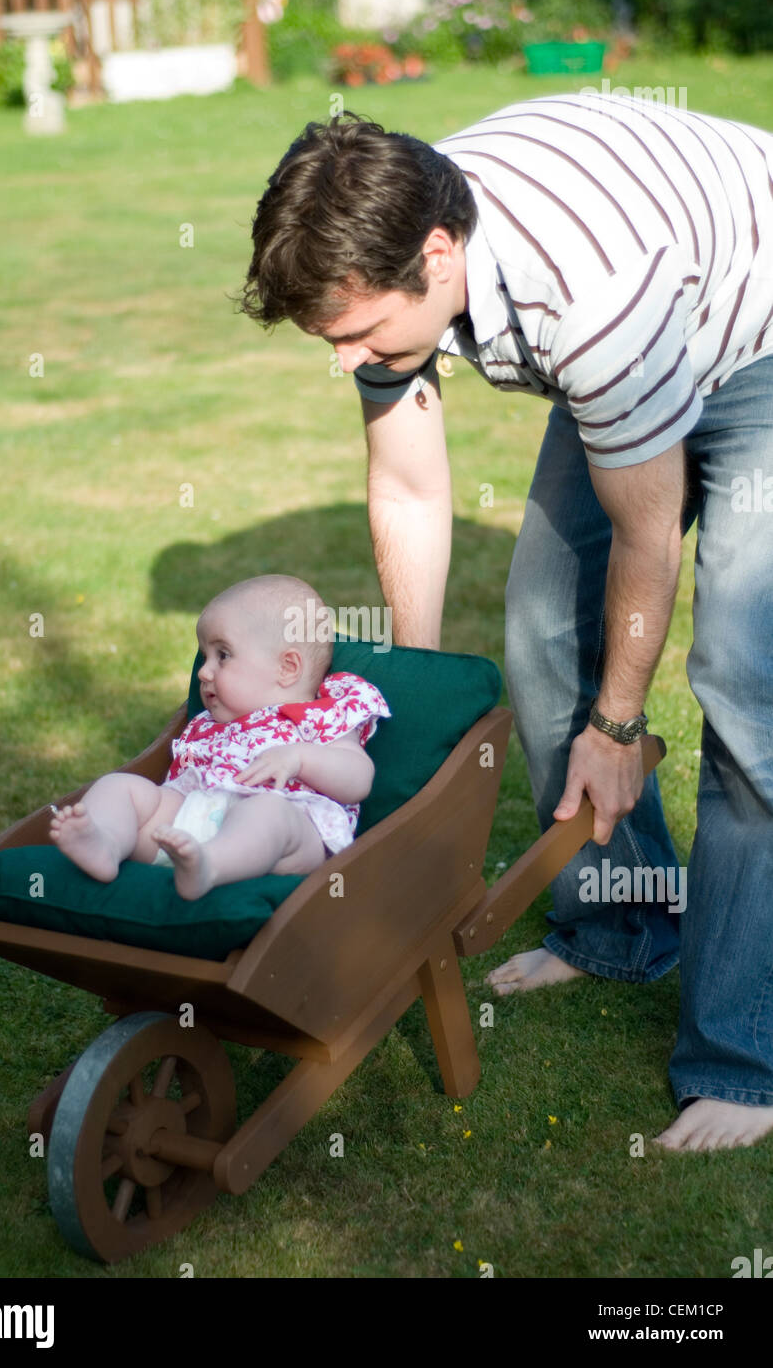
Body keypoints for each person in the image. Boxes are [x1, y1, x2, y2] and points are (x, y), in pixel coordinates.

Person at [237, 93, 773, 1152]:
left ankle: (744, 1057)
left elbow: (648, 533)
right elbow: (407, 486)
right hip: (653, 312)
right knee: (536, 634)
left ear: (439, 256)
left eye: (354, 334)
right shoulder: (388, 250)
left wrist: (619, 732)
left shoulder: (595, 298)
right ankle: (621, 927)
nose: (344, 360)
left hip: (758, 332)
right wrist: (417, 691)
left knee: (745, 685)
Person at [50, 574, 390, 900]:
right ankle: (105, 843)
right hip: (190, 818)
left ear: (287, 668)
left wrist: (298, 757)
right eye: (205, 655)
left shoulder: (322, 714)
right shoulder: (212, 722)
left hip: (286, 833)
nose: (204, 671)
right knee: (119, 786)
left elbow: (357, 779)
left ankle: (210, 866)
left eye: (222, 655)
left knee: (267, 812)